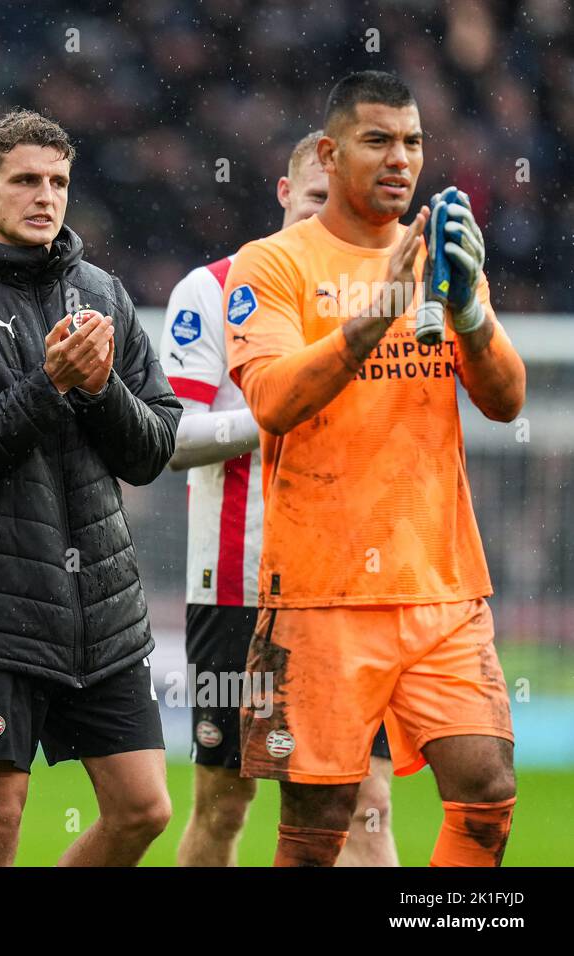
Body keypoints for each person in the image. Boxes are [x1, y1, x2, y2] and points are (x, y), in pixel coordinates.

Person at [225, 71, 525, 866]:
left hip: (441, 584)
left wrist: (469, 315)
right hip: (323, 595)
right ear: (331, 150)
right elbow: (273, 401)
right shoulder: (271, 264)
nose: (402, 158)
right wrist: (374, 319)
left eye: (414, 142)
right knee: (316, 834)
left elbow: (506, 400)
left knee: (487, 790)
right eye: (379, 140)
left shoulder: (443, 255)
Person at [0, 110, 181, 866]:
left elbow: (153, 448)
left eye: (57, 181)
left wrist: (97, 387)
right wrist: (51, 382)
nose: (45, 195)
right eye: (25, 180)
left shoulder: (102, 292)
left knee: (144, 810)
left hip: (102, 610)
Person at [162, 131, 398, 867]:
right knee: (226, 803)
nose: (331, 216)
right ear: (284, 194)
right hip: (240, 589)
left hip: (354, 593)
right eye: (318, 198)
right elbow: (171, 438)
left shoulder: (379, 299)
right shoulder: (211, 288)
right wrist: (276, 410)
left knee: (367, 806)